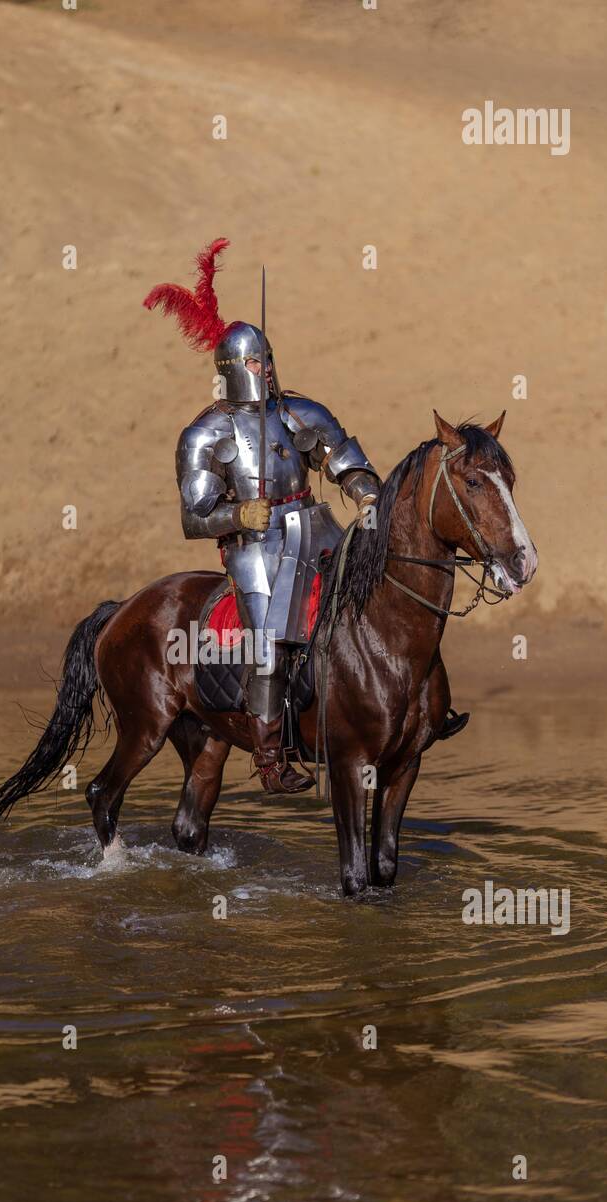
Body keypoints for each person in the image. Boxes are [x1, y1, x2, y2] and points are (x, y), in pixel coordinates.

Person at [144, 239, 382, 793]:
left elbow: (345, 459)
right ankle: (271, 760)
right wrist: (239, 512)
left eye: (267, 358)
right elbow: (195, 516)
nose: (264, 367)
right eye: (254, 361)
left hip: (315, 528)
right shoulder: (206, 432)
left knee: (373, 599)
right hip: (253, 550)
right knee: (269, 642)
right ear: (231, 368)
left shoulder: (300, 411)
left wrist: (368, 494)